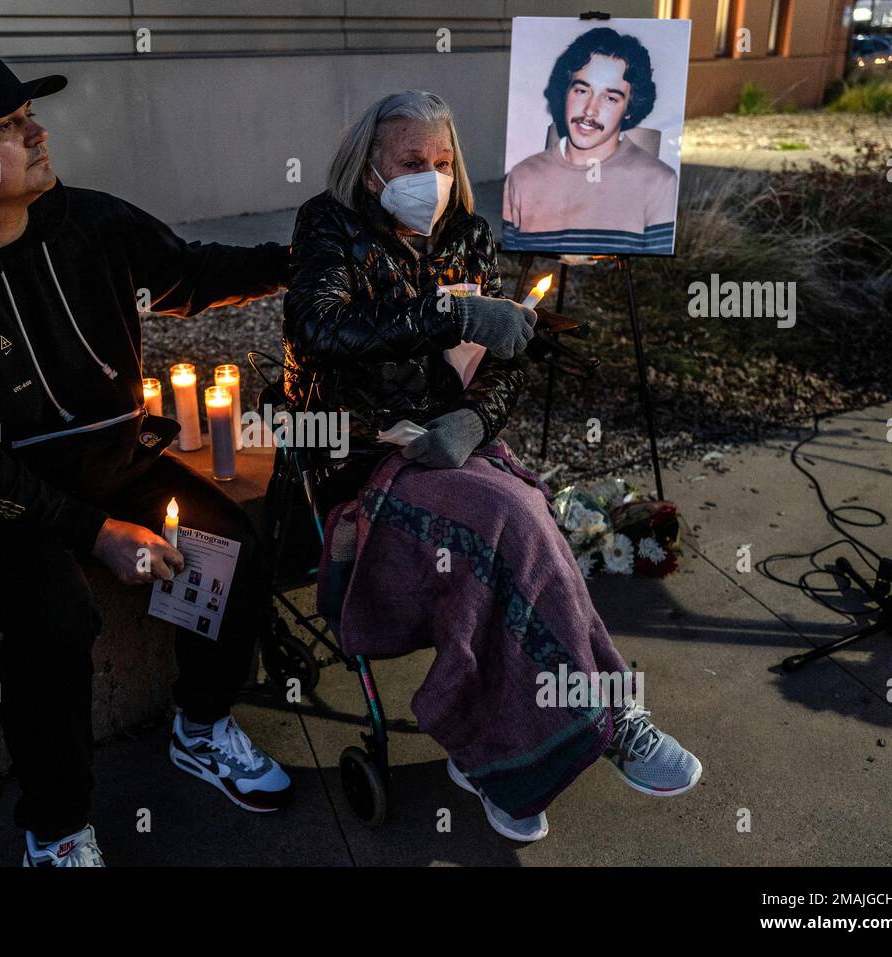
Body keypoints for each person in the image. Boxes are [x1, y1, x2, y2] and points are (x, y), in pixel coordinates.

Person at [0, 45, 293, 868]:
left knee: (232, 544)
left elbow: (188, 275)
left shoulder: (89, 223)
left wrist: (304, 259)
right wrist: (95, 534)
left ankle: (200, 725)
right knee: (54, 614)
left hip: (106, 465)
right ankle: (56, 828)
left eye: (30, 115)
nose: (38, 133)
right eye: (8, 125)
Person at [284, 90, 701, 843]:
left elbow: (507, 358)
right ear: (370, 166)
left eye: (443, 162)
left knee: (524, 522)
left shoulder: (467, 236)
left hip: (454, 444)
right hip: (364, 460)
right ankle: (585, 723)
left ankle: (545, 735)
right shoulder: (330, 226)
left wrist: (475, 417)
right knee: (514, 518)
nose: (432, 178)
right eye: (413, 162)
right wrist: (452, 315)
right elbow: (319, 328)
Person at [502, 26, 678, 255]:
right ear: (565, 92)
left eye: (611, 98)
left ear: (629, 109)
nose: (590, 111)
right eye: (582, 91)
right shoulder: (521, 177)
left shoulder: (659, 182)